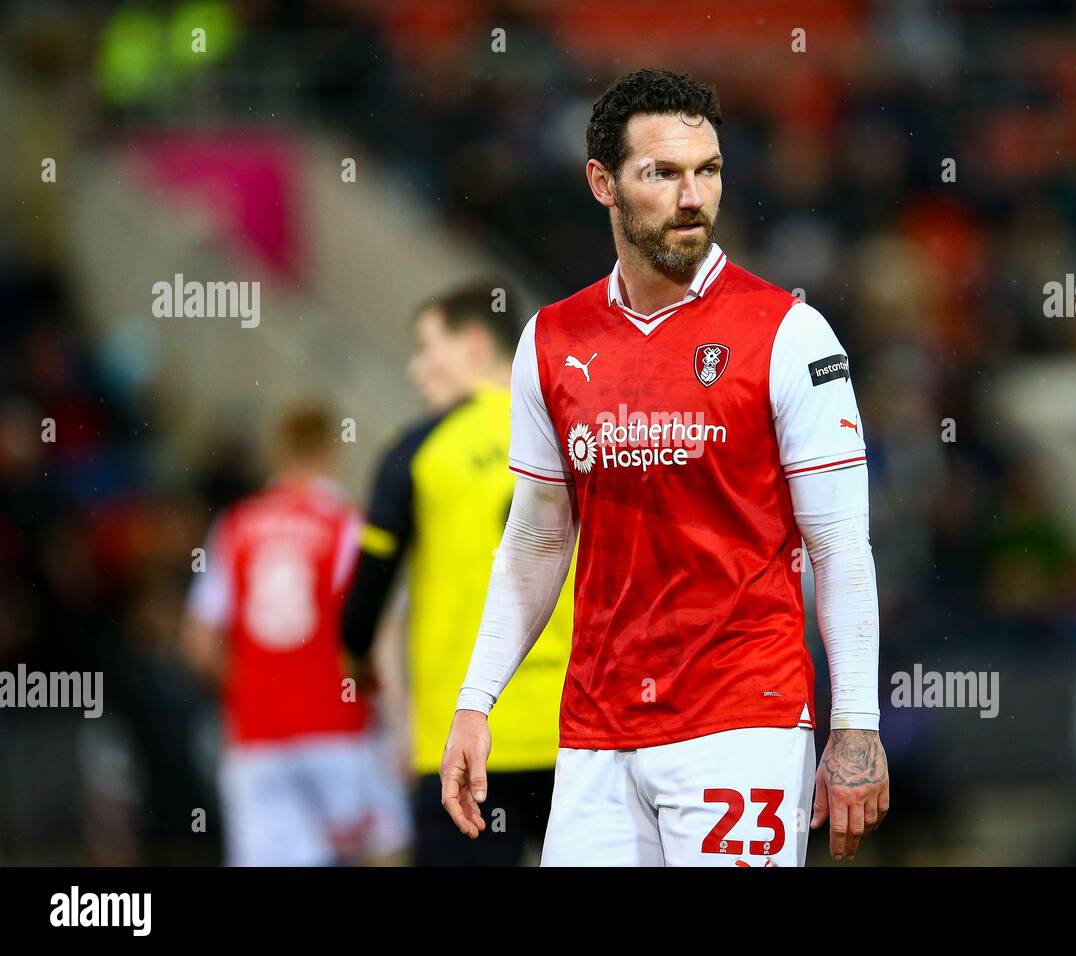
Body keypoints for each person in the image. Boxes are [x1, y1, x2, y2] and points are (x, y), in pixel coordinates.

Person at [441, 68, 889, 867]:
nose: (693, 198)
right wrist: (476, 702)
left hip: (739, 723)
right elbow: (538, 540)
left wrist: (855, 723)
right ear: (602, 184)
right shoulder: (550, 340)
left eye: (707, 171)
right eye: (663, 174)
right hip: (595, 732)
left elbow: (841, 546)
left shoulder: (790, 333)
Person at [341, 283, 574, 866]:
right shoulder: (580, 432)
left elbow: (361, 608)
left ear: (473, 344)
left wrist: (357, 660)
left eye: (427, 348)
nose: (418, 371)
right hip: (580, 736)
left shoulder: (418, 451)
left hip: (463, 746)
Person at [183, 401, 410, 866]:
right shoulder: (349, 524)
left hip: (257, 739)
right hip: (339, 731)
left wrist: (250, 688)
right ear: (331, 450)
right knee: (380, 854)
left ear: (278, 452)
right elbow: (381, 633)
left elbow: (198, 641)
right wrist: (401, 726)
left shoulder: (235, 527)